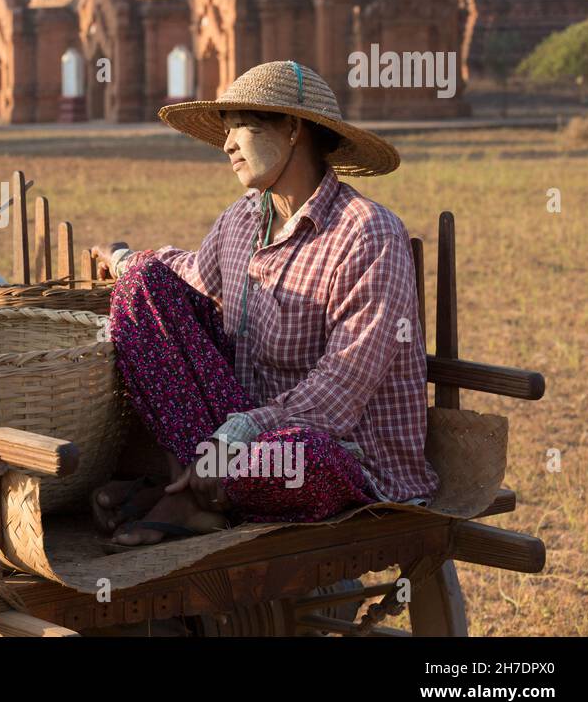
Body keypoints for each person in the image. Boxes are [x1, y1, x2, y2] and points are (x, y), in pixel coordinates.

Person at [90, 60, 438, 548]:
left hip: (339, 450)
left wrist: (245, 430)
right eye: (225, 129)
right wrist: (125, 259)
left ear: (293, 128)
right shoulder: (240, 221)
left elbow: (343, 385)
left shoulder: (367, 232)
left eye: (241, 127)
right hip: (234, 433)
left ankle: (191, 495)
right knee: (143, 286)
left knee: (301, 458)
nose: (227, 144)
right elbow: (186, 273)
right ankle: (199, 490)